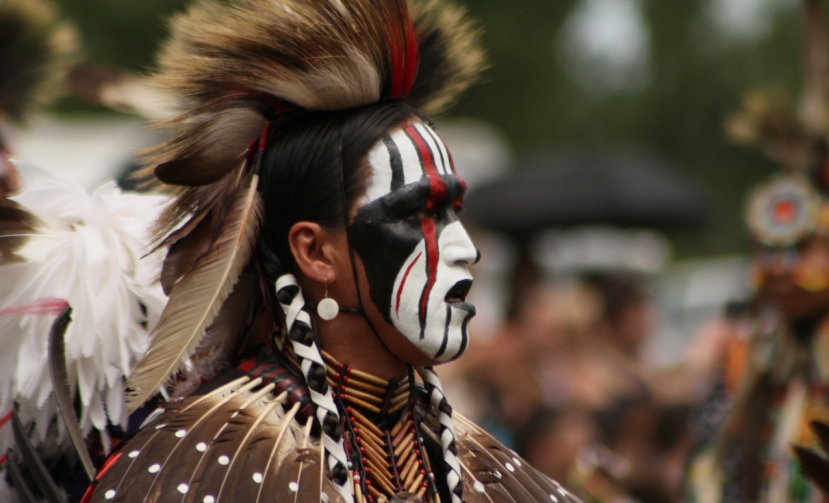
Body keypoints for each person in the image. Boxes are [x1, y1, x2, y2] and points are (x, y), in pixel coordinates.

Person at [1, 0, 581, 502]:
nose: (465, 249)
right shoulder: (197, 468)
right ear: (315, 252)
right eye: (416, 214)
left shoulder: (492, 473)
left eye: (453, 211)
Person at [685, 2, 829, 502]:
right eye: (768, 251)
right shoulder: (744, 356)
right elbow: (709, 461)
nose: (781, 269)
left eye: (803, 250)